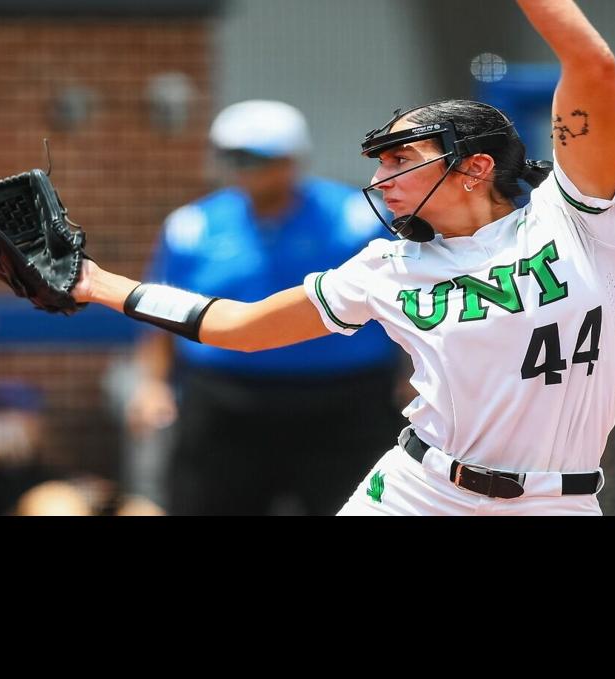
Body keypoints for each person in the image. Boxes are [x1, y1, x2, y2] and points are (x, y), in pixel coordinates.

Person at [69, 0, 615, 516]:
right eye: (380, 162)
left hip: (553, 501)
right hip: (417, 491)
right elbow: (233, 327)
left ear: (474, 168)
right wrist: (96, 282)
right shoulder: (385, 266)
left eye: (401, 159)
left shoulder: (575, 218)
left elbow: (592, 64)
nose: (380, 178)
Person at [126, 100, 406, 516]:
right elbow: (166, 310)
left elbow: (402, 297)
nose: (243, 169)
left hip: (345, 402)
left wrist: (415, 374)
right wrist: (152, 384)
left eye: (257, 158)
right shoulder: (193, 226)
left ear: (293, 160)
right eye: (232, 157)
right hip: (225, 403)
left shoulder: (356, 218)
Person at [0, 380, 163, 517]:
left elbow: (98, 491)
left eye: (22, 415)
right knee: (53, 505)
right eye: (2, 415)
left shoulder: (44, 460)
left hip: (66, 501)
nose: (12, 426)